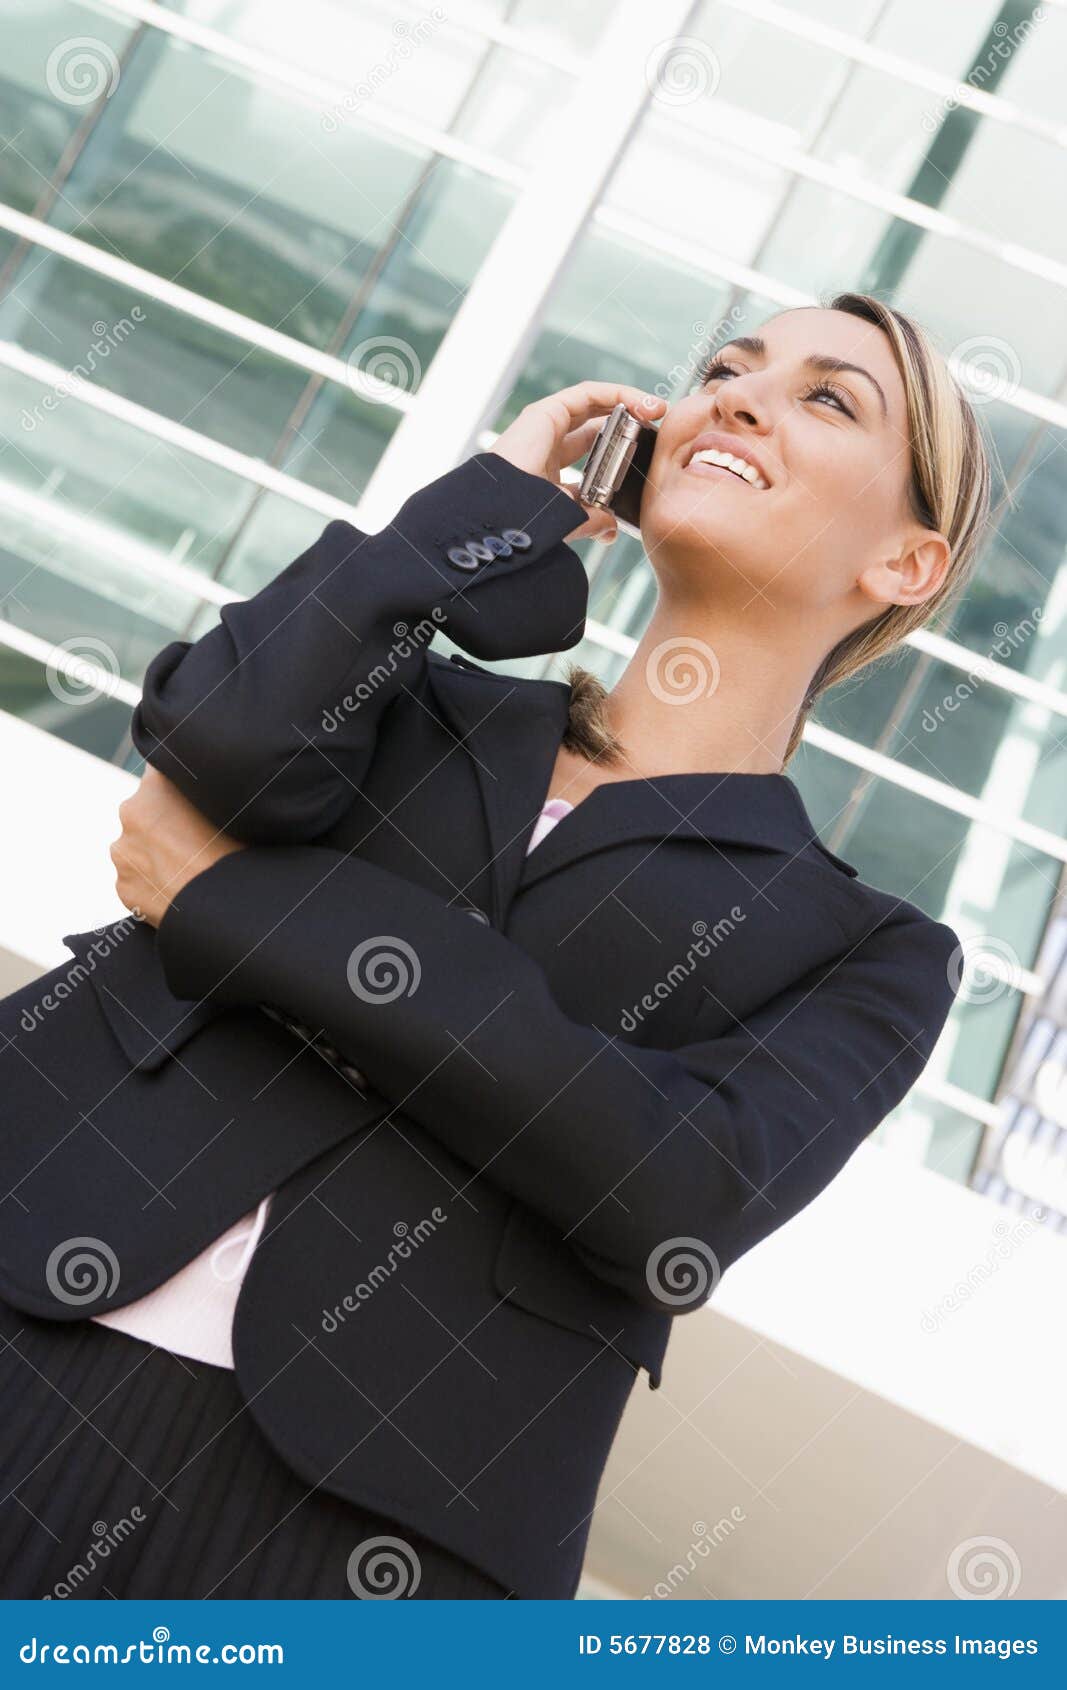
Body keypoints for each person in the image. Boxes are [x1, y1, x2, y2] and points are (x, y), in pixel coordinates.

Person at [0, 292, 990, 1599]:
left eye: (829, 397)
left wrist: (243, 909)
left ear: (906, 565)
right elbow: (214, 740)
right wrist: (474, 518)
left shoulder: (870, 949)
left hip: (374, 1552)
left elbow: (672, 1190)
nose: (740, 396)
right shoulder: (407, 693)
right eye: (724, 367)